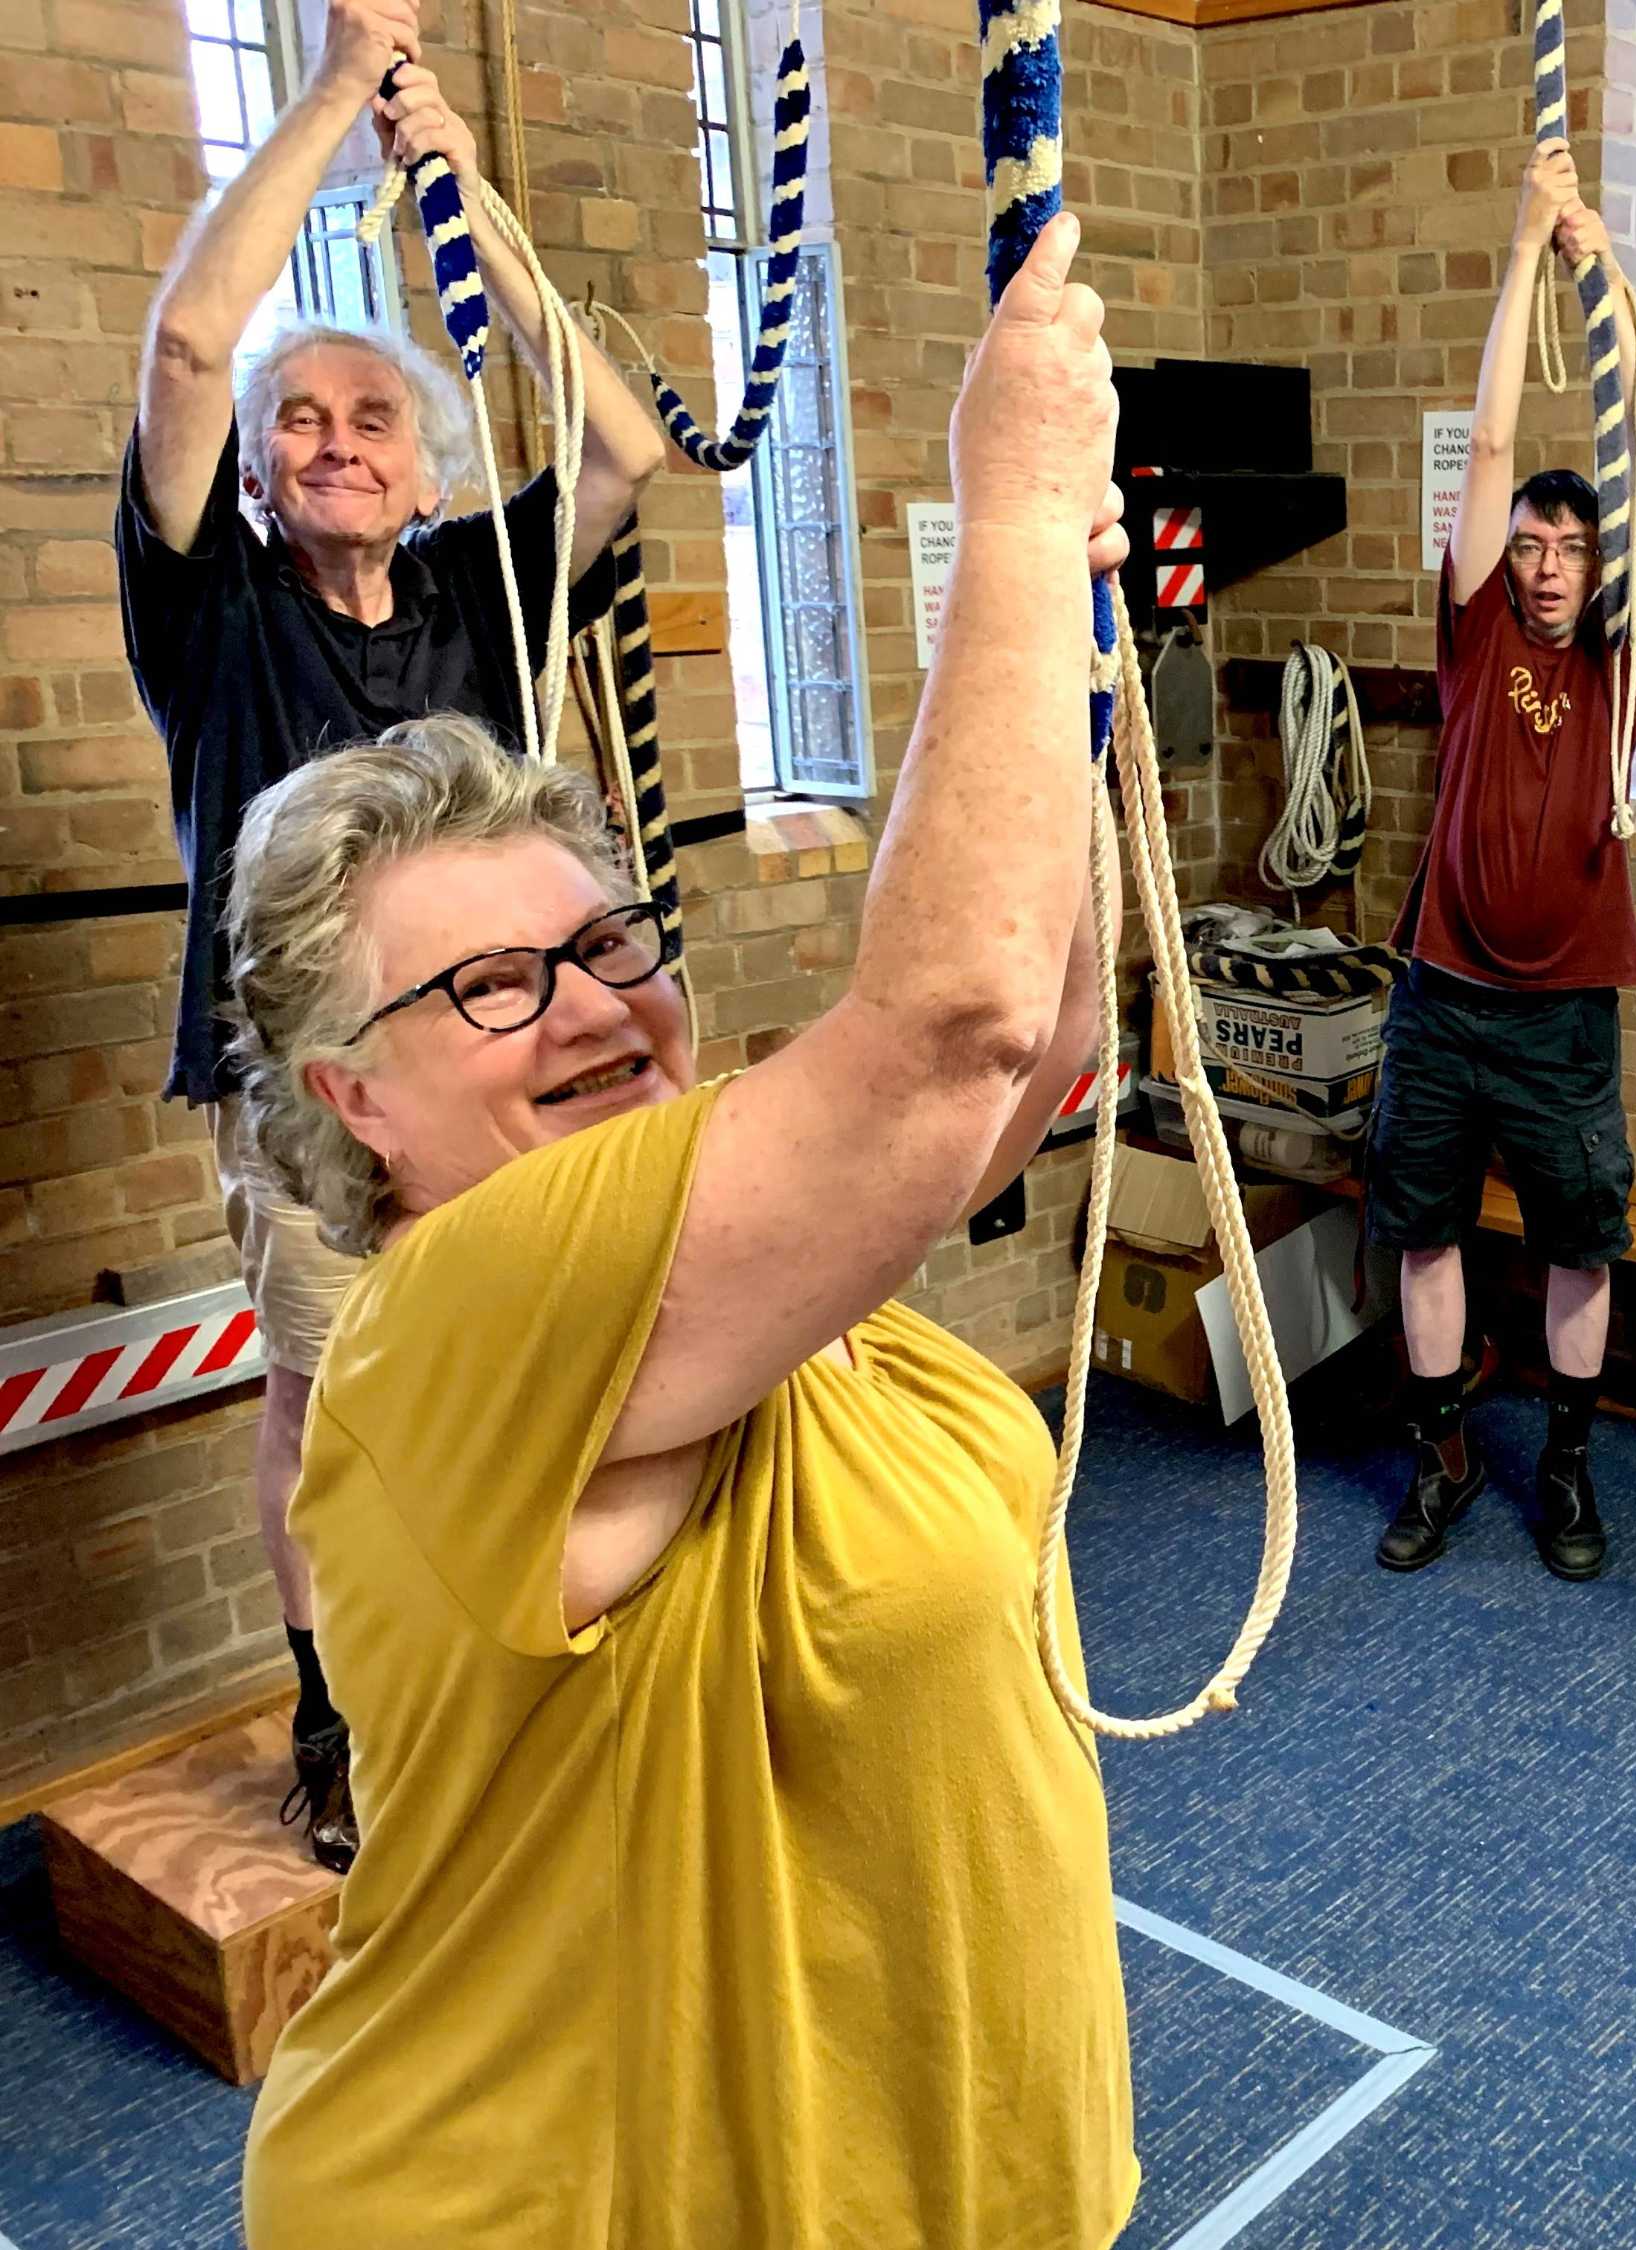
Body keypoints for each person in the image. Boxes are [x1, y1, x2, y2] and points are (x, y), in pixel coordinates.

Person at [225, 216, 1135, 2246]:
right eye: (483, 989)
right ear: (354, 1105)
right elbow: (951, 1031)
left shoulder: (737, 1227)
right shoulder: (443, 1327)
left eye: (607, 940)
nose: (592, 1004)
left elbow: (1046, 1037)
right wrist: (1001, 508)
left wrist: (1067, 655)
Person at [116, 0, 667, 1868]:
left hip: (503, 1058)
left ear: (426, 472)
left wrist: (445, 160)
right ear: (263, 476)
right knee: (325, 1393)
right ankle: (341, 1718)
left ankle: (513, 1651)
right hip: (306, 1087)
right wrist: (339, 86)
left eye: (374, 419)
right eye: (304, 423)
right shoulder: (213, 611)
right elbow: (192, 338)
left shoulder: (472, 583)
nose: (337, 444)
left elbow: (615, 435)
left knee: (537, 1354)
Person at [1367, 138, 1636, 1583]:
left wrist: (1603, 273)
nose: (1548, 561)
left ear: (1600, 567)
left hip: (1562, 1017)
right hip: (1442, 994)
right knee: (1423, 1234)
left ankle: (1562, 1471)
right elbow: (1489, 449)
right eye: (1535, 541)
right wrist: (1518, 252)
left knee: (1577, 1246)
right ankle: (1436, 1459)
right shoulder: (1478, 630)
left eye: (1570, 544)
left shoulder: (1621, 657)